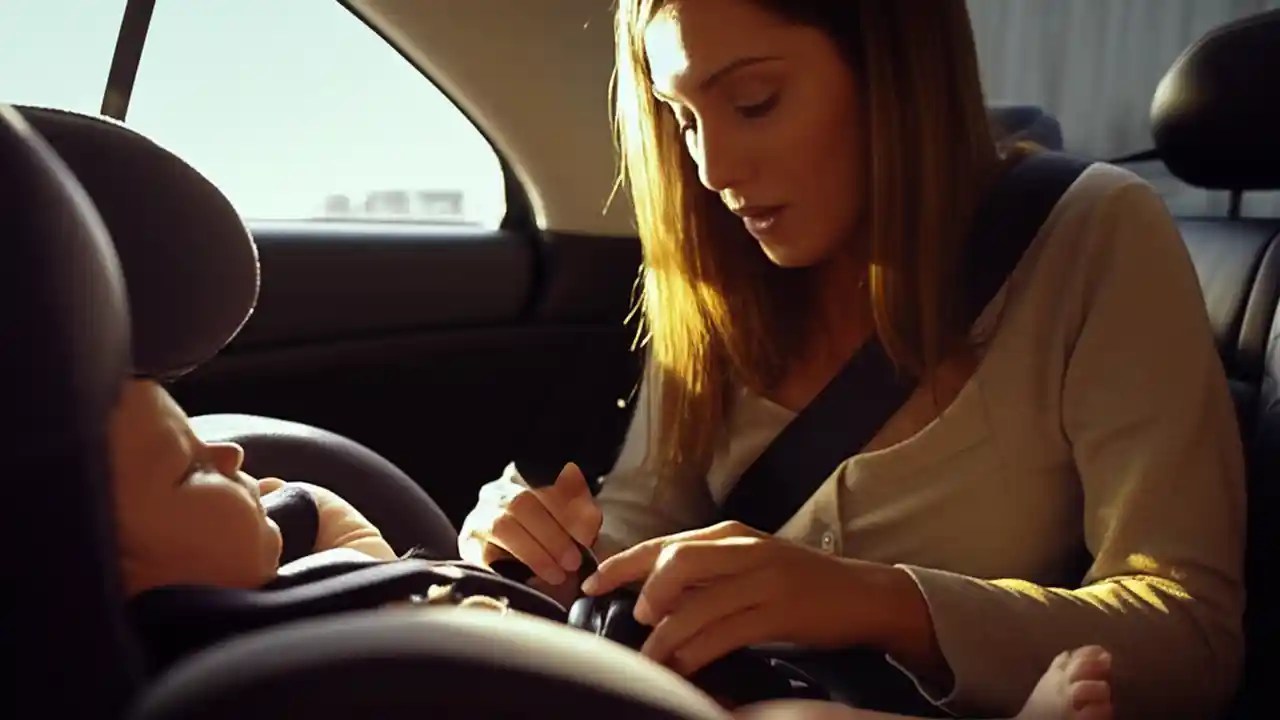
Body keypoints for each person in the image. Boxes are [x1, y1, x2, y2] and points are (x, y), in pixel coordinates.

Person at [458, 1, 1246, 718]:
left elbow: (1188, 637)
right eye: (683, 121)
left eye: (753, 103)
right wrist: (553, 555)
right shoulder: (715, 273)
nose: (712, 170)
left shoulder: (1093, 235)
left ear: (892, 72)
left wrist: (877, 602)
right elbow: (644, 523)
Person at [107, 377, 1112, 719]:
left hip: (580, 644)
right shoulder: (200, 648)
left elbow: (357, 541)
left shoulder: (269, 558)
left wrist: (302, 509)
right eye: (189, 466)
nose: (231, 449)